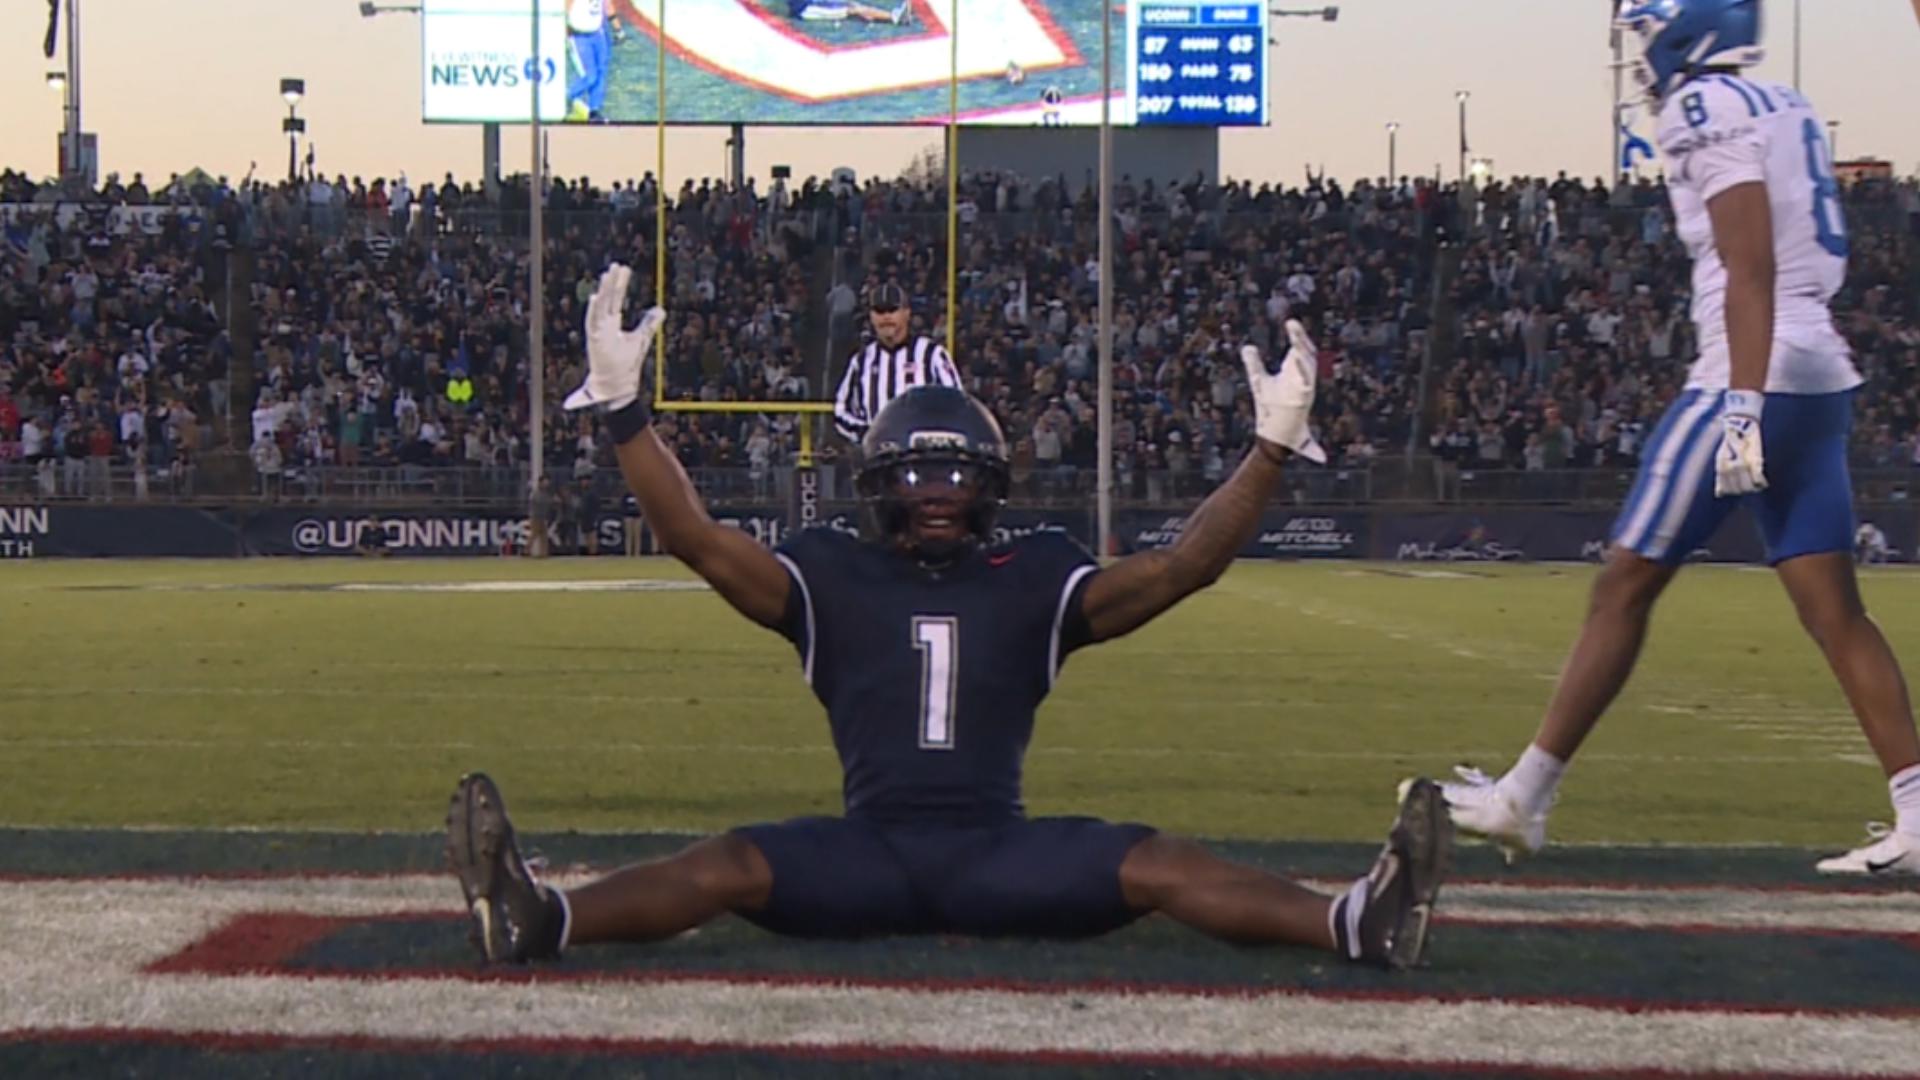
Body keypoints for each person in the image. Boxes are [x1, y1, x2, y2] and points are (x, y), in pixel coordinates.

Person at [445, 263, 1452, 972]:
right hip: (867, 851)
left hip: (998, 854)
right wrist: (623, 414)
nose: (937, 494)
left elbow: (1182, 566)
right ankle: (546, 920)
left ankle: (1351, 925)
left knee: (1160, 862)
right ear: (877, 484)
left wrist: (1271, 448)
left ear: (992, 489)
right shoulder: (830, 572)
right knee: (727, 865)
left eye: (957, 477)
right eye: (917, 474)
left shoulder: (1034, 573)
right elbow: (699, 541)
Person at [1435, 0, 1920, 876]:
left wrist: (1740, 404)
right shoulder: (1787, 103)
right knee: (1835, 613)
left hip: (1753, 373)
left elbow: (1748, 263)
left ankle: (1525, 798)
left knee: (1624, 580)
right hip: (1820, 376)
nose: (1641, 52)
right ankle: (1919, 814)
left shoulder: (1701, 109)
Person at [831, 283, 962, 448]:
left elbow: (955, 401)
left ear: (906, 313)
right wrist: (867, 433)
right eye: (879, 311)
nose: (886, 317)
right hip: (877, 458)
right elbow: (841, 409)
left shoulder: (932, 354)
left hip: (923, 455)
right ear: (871, 316)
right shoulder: (861, 360)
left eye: (892, 310)